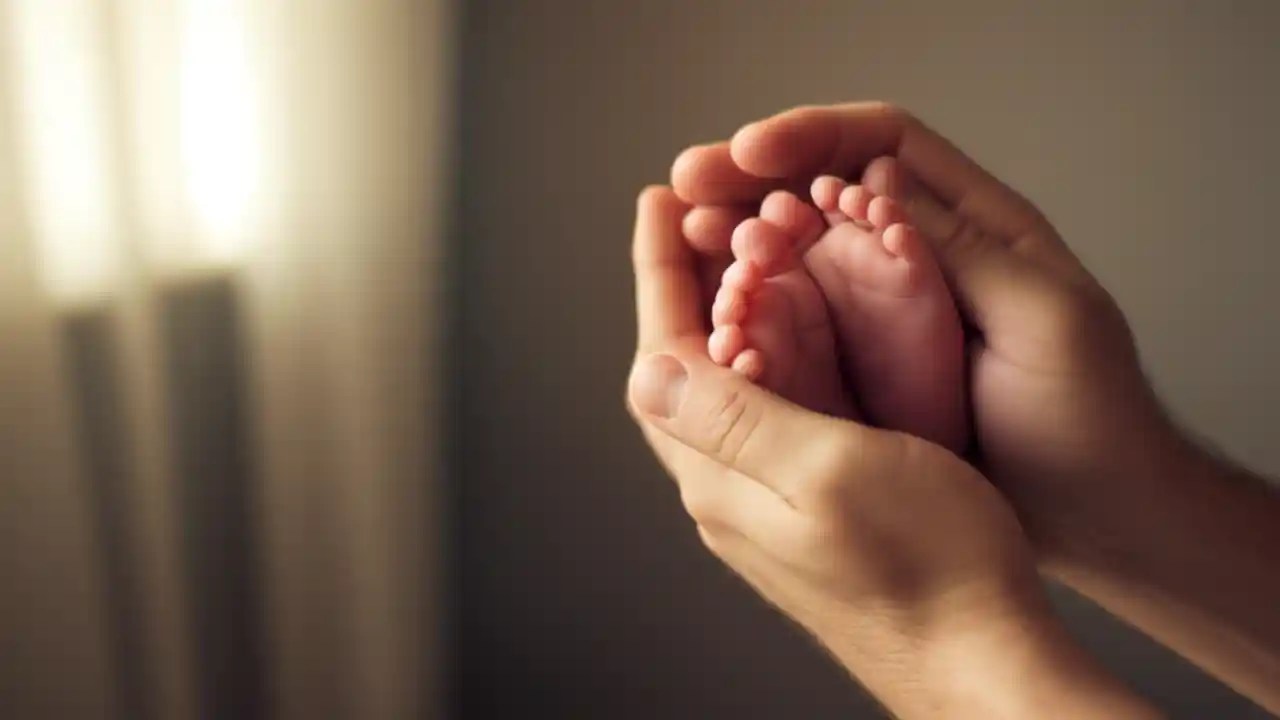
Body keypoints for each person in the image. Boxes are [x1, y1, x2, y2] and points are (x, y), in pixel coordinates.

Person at [626, 102, 1280, 718]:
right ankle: (910, 411)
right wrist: (1101, 499)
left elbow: (939, 641)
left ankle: (885, 403)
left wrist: (938, 642)